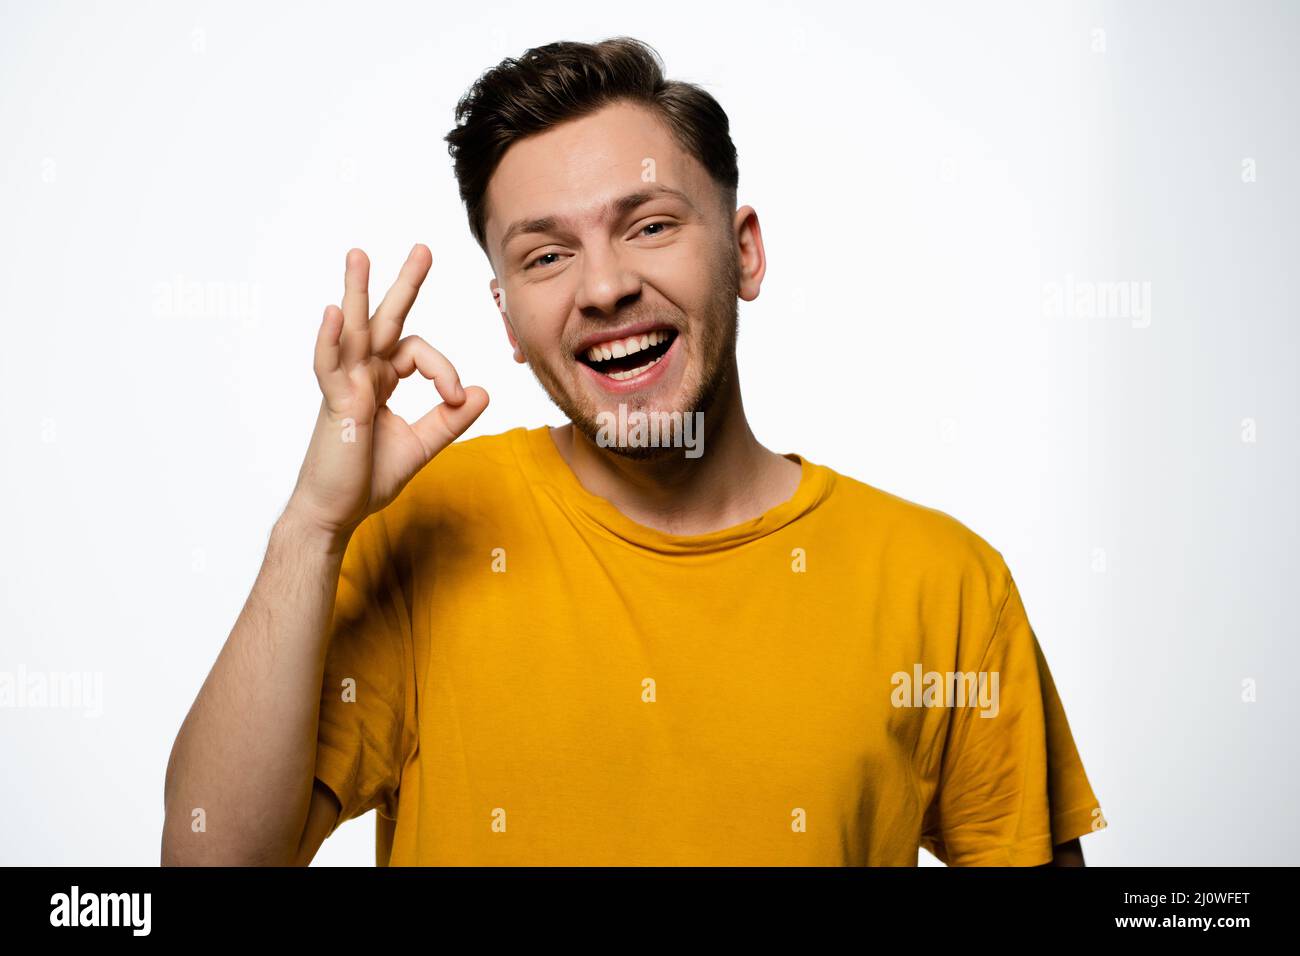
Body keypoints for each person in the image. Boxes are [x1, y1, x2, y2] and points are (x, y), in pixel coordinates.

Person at [162, 36, 1104, 866]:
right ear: (509, 321)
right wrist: (312, 528)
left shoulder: (946, 588)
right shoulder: (422, 532)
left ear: (745, 253)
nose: (605, 285)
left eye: (650, 226)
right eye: (545, 255)